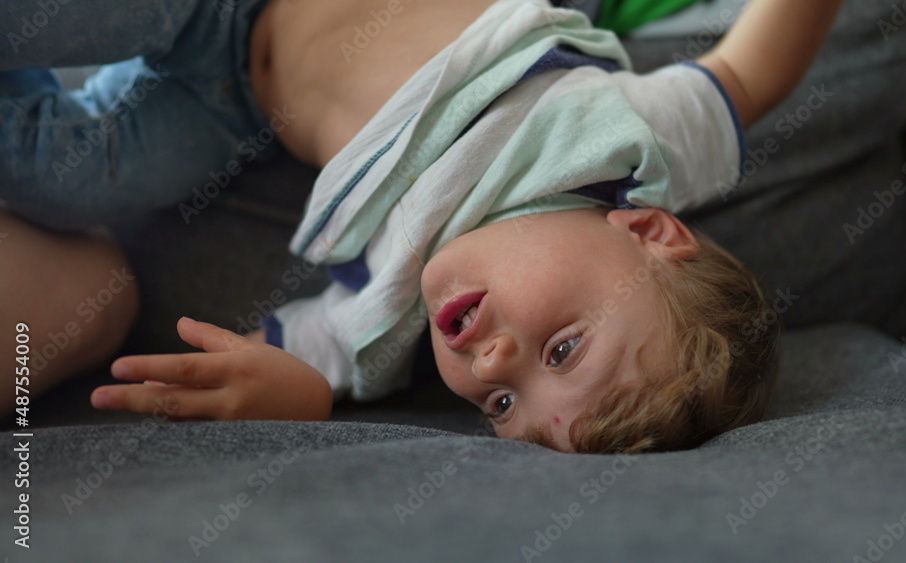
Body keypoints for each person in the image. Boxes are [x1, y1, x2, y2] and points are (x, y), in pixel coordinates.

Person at [0, 0, 844, 452]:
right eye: (562, 351)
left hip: (222, 104)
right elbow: (750, 67)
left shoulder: (394, 314)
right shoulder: (621, 139)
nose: (489, 366)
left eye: (504, 405)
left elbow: (313, 355)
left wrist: (299, 389)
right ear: (651, 236)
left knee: (68, 178)